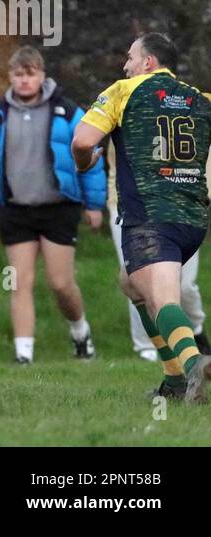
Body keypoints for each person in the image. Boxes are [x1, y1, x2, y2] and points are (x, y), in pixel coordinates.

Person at [72, 33, 211, 402]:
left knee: (163, 300)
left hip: (150, 220)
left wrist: (85, 164)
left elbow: (83, 142)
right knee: (130, 283)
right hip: (193, 220)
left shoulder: (124, 91)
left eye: (130, 57)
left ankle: (195, 363)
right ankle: (174, 380)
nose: (125, 65)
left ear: (148, 62)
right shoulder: (201, 100)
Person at [0, 46, 105, 364]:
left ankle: (80, 332)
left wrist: (94, 203)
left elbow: (90, 157)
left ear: (42, 75)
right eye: (18, 74)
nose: (24, 80)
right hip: (16, 208)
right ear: (10, 77)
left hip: (58, 207)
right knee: (20, 282)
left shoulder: (68, 111)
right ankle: (23, 355)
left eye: (30, 74)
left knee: (60, 284)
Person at [105, 140, 211, 362]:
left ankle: (195, 333)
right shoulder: (122, 104)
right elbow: (89, 143)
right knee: (136, 280)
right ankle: (150, 348)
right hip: (134, 207)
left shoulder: (195, 106)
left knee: (183, 285)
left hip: (183, 205)